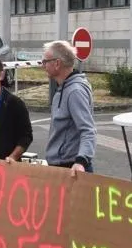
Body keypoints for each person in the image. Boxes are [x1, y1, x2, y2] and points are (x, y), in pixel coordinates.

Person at [41, 39, 97, 173]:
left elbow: (88, 130)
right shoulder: (64, 89)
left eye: (45, 62)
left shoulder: (75, 91)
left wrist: (81, 161)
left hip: (71, 168)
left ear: (57, 63)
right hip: (60, 166)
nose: (43, 66)